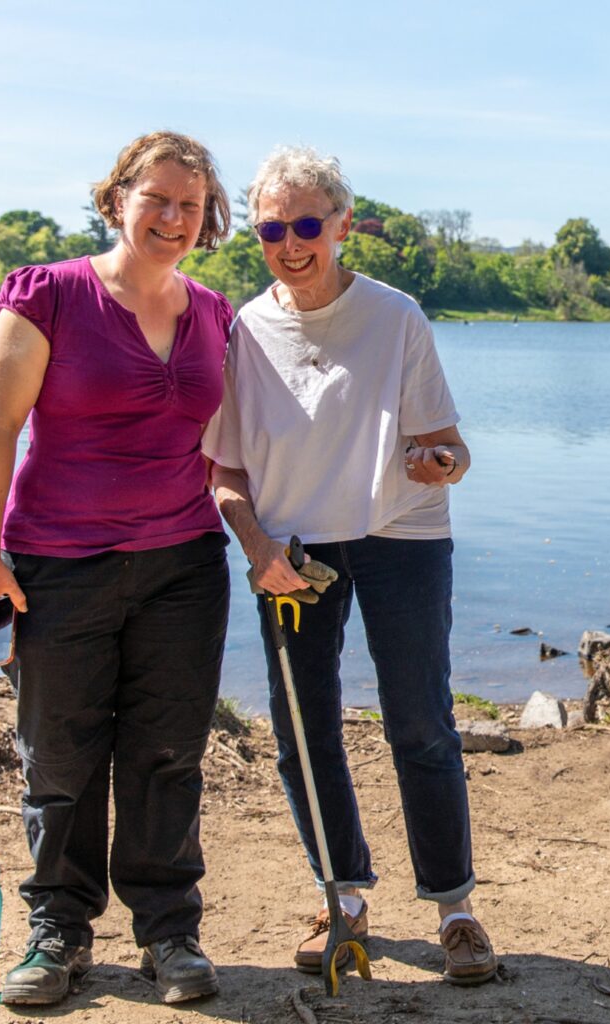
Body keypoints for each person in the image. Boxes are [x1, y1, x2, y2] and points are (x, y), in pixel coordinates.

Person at [205, 145, 499, 986]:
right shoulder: (242, 331)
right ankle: (343, 899)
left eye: (307, 225)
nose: (291, 244)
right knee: (304, 732)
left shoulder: (396, 316)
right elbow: (224, 471)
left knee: (420, 722)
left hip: (403, 535)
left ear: (341, 225)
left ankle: (455, 910)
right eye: (272, 230)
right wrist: (257, 550)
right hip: (292, 551)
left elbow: (450, 447)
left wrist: (440, 465)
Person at [0, 131, 234, 1006]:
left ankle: (169, 932)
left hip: (184, 566)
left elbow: (234, 442)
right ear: (118, 199)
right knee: (59, 755)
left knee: (168, 754)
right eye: (156, 198)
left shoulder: (215, 313)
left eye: (190, 204)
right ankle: (59, 931)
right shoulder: (48, 295)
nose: (173, 217)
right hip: (59, 564)